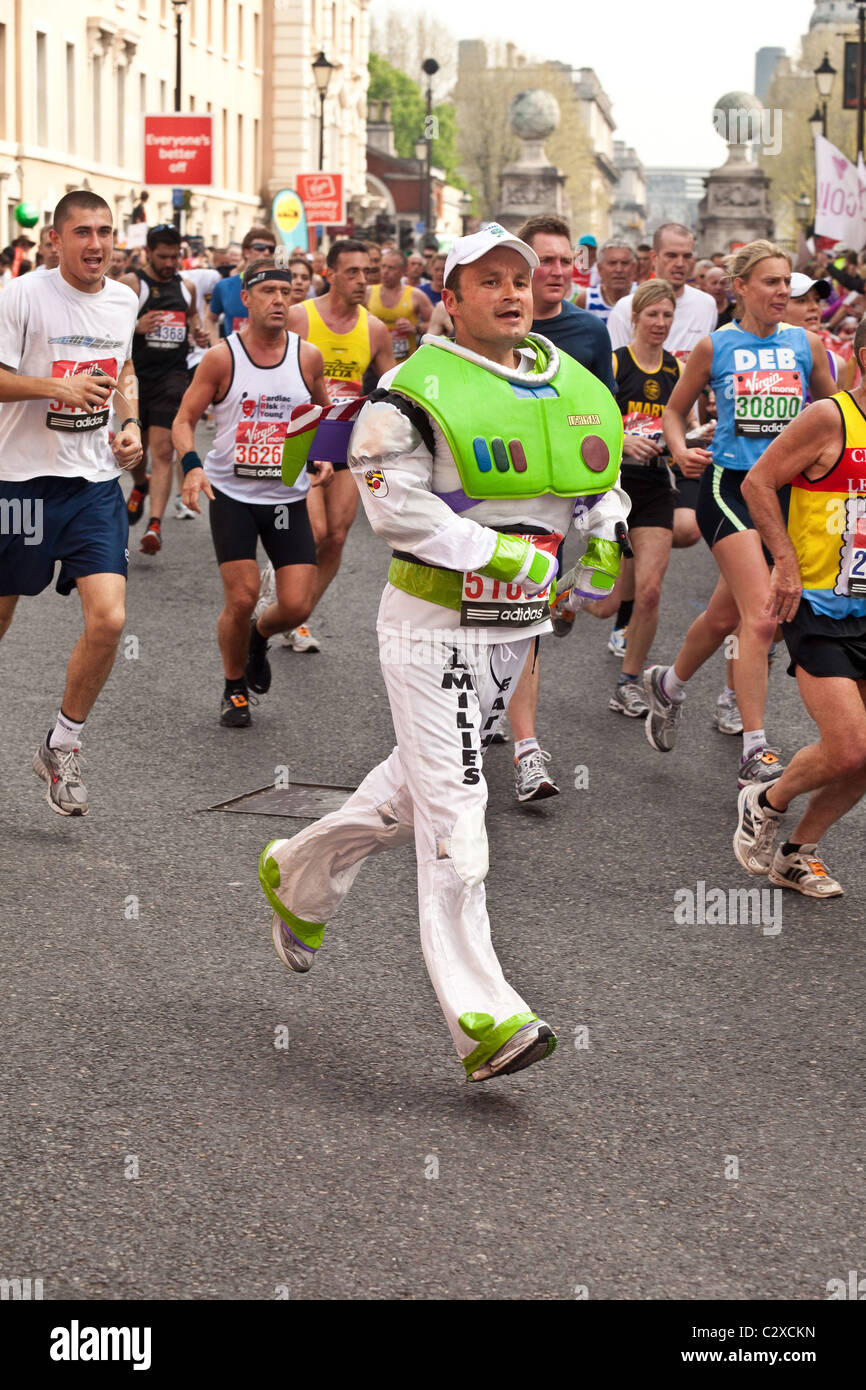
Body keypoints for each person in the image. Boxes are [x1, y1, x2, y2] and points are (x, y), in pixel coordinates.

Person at [255, 223, 627, 1082]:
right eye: (488, 281)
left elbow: (594, 475)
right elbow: (395, 508)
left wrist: (604, 535)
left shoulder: (560, 380)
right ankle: (486, 1018)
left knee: (412, 793)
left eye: (520, 280)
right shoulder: (407, 394)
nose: (511, 293)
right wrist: (494, 552)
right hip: (431, 628)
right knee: (460, 811)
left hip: (517, 631)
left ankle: (296, 871)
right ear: (450, 299)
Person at [643, 240, 836, 787]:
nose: (782, 292)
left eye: (787, 282)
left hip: (787, 496)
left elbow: (837, 414)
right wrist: (679, 449)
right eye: (771, 282)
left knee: (728, 618)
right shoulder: (714, 347)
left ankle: (668, 685)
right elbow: (674, 410)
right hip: (729, 489)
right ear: (742, 288)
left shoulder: (809, 346)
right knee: (765, 616)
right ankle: (756, 746)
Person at [0, 190, 141, 816]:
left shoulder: (124, 299)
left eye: (105, 231)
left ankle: (63, 744)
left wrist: (131, 423)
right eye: (82, 231)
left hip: (92, 485)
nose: (96, 244)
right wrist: (58, 384)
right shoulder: (23, 296)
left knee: (109, 619)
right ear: (56, 239)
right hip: (21, 483)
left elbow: (125, 373)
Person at [732, 317, 866, 897]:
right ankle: (765, 798)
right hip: (819, 604)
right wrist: (783, 561)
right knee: (849, 745)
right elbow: (758, 482)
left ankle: (796, 853)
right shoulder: (830, 418)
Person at [172, 259, 333, 726]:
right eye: (268, 292)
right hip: (232, 497)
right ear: (246, 300)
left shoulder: (308, 357)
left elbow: (322, 414)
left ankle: (259, 636)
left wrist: (322, 454)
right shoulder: (223, 357)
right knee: (241, 598)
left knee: (298, 604)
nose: (279, 299)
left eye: (286, 291)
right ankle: (233, 686)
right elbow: (184, 420)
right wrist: (192, 467)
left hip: (286, 497)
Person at [501, 214, 618, 800]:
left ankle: (526, 750)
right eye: (543, 260)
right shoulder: (486, 327)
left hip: (553, 501)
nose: (555, 271)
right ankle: (488, 709)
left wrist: (601, 506)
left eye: (564, 260)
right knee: (484, 618)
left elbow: (602, 419)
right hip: (484, 499)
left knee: (525, 617)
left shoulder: (588, 333)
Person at [278, 238, 395, 651]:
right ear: (329, 274)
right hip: (305, 439)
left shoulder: (375, 329)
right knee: (314, 530)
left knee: (338, 537)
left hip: (346, 442)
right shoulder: (300, 317)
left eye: (368, 272)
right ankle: (277, 595)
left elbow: (394, 388)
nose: (362, 280)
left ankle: (298, 616)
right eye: (352, 272)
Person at [605, 280, 683, 717]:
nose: (659, 322)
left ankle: (628, 682)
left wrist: (688, 442)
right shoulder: (615, 364)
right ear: (635, 318)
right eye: (651, 314)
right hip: (613, 486)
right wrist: (622, 443)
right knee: (607, 604)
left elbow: (684, 421)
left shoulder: (676, 369)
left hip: (655, 486)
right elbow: (586, 423)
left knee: (650, 591)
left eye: (667, 315)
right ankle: (569, 599)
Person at [120, 223, 208, 551]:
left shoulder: (186, 286)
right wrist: (136, 326)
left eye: (175, 256)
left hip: (172, 377)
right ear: (148, 254)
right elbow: (106, 325)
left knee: (163, 450)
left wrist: (197, 333)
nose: (170, 263)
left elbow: (194, 318)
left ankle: (154, 525)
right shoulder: (131, 284)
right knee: (133, 451)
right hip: (134, 378)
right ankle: (140, 484)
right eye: (163, 257)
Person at [206, 226, 276, 343]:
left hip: (270, 357)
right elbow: (210, 318)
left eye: (271, 249)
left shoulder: (281, 287)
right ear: (246, 252)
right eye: (260, 248)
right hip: (234, 357)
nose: (267, 252)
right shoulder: (225, 286)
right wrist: (214, 343)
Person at [366, 249, 432, 365]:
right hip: (373, 365)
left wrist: (415, 328)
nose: (385, 271)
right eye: (383, 266)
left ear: (403, 271)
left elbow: (435, 325)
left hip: (404, 364)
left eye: (391, 268)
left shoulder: (416, 295)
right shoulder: (368, 293)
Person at [574, 239, 636, 325]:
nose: (619, 269)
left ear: (633, 267)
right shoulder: (586, 299)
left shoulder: (643, 296)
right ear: (600, 268)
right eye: (612, 263)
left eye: (625, 263)